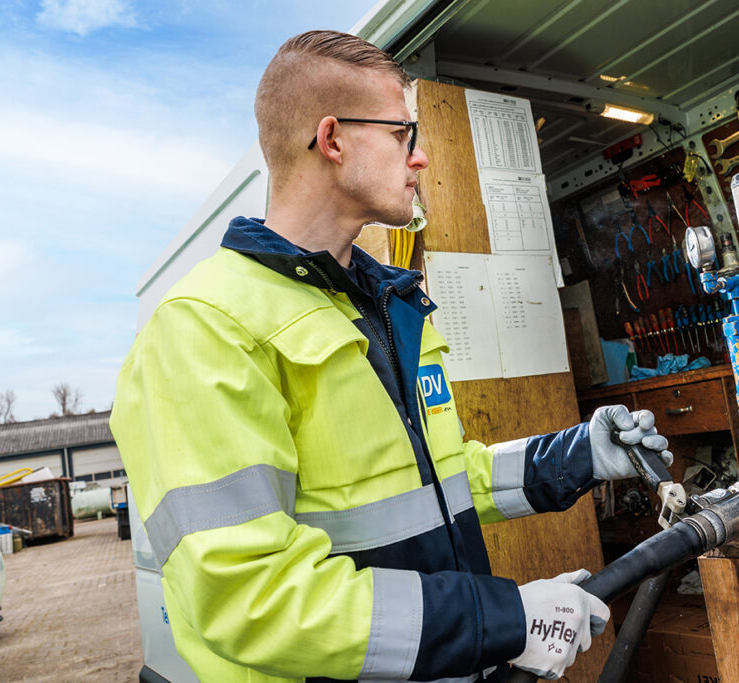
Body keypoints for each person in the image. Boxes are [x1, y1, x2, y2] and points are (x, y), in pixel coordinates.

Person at [111, 30, 672, 683]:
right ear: (333, 140)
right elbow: (249, 599)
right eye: (403, 134)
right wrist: (504, 617)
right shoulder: (205, 327)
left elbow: (438, 480)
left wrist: (577, 455)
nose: (422, 157)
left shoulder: (385, 303)